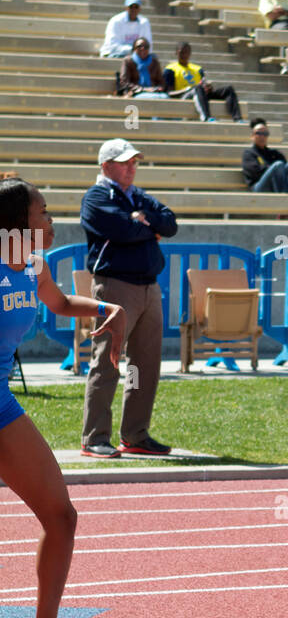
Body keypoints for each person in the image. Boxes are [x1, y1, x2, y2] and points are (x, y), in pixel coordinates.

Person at [0, 175, 125, 618]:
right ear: (16, 223)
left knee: (61, 516)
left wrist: (103, 307)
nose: (52, 221)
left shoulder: (32, 263)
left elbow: (59, 302)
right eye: (43, 212)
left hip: (2, 406)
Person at [80, 140, 177, 458]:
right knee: (107, 362)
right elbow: (123, 231)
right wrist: (148, 227)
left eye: (135, 162)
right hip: (115, 287)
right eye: (124, 163)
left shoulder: (138, 196)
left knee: (145, 365)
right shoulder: (96, 197)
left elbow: (170, 223)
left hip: (149, 287)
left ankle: (135, 434)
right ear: (106, 165)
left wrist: (142, 220)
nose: (131, 168)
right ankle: (94, 437)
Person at [162, 42, 243, 122]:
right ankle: (206, 117)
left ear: (190, 53)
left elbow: (202, 85)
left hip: (199, 94)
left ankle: (238, 118)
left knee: (228, 89)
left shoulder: (197, 69)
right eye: (181, 53)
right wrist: (188, 89)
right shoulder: (170, 69)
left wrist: (208, 88)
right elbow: (170, 93)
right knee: (197, 88)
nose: (184, 55)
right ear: (176, 53)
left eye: (186, 52)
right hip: (183, 96)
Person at [242, 119, 288, 195]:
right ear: (252, 136)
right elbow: (255, 173)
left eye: (265, 134)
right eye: (259, 133)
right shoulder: (249, 153)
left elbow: (286, 167)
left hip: (275, 184)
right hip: (259, 187)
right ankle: (283, 196)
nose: (262, 136)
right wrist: (273, 169)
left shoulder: (273, 153)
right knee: (278, 165)